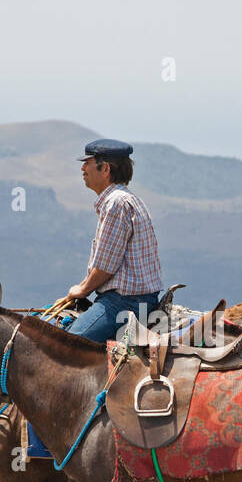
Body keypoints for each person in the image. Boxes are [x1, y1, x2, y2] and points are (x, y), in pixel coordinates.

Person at [62, 139, 163, 342]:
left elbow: (106, 267)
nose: (83, 168)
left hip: (126, 303)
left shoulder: (115, 204)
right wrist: (80, 288)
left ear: (105, 168)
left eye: (88, 162)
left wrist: (81, 290)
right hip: (132, 300)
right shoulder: (125, 199)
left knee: (66, 346)